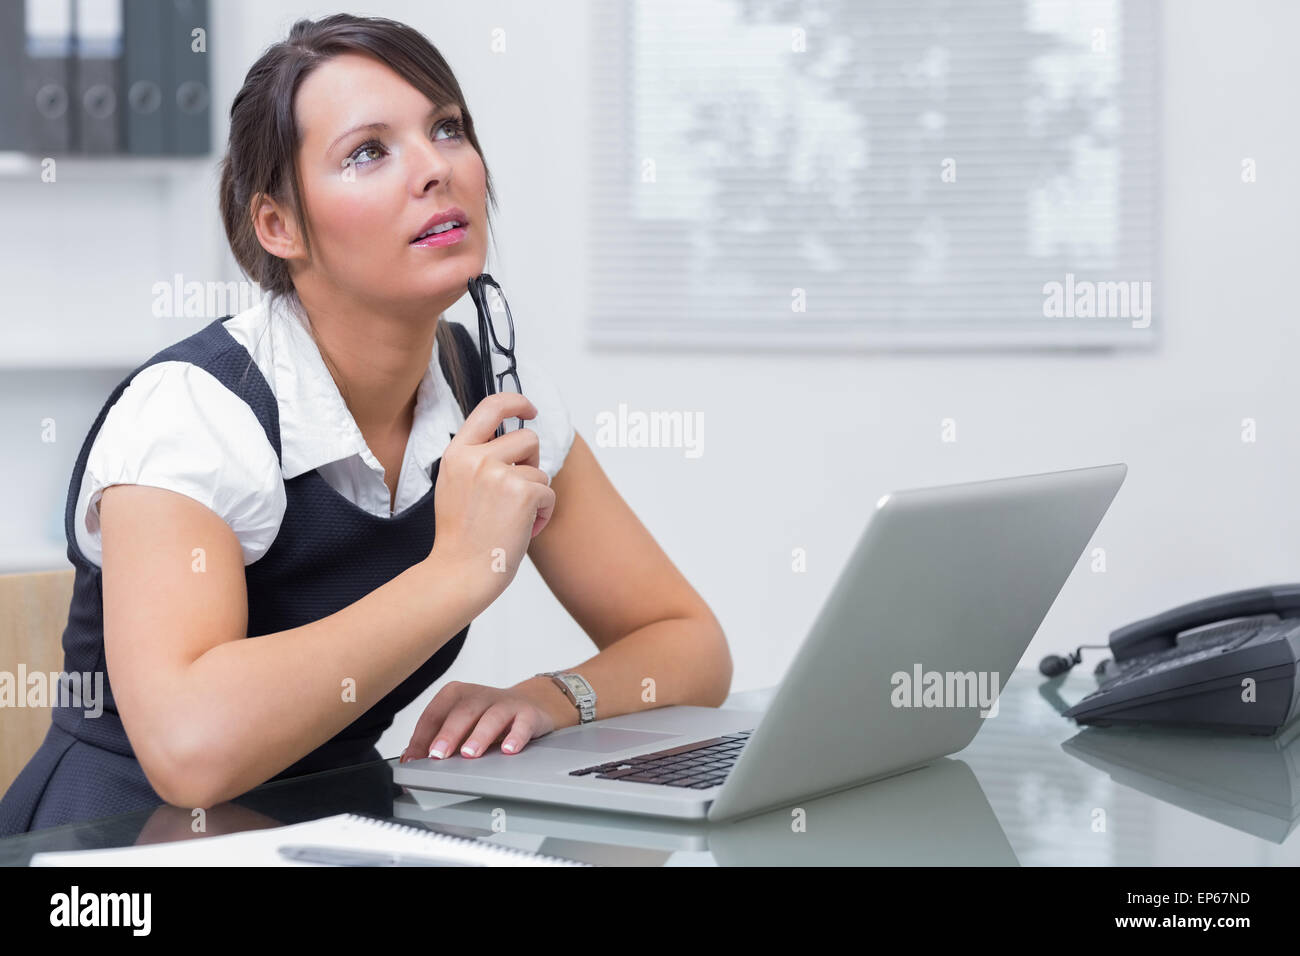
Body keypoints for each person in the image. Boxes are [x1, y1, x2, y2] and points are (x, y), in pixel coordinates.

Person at [0, 13, 731, 835]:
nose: (434, 169)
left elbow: (690, 643)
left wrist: (550, 698)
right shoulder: (196, 411)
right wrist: (455, 569)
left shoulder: (491, 393)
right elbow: (189, 754)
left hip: (333, 825)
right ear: (277, 226)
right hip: (124, 842)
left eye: (447, 129)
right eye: (367, 152)